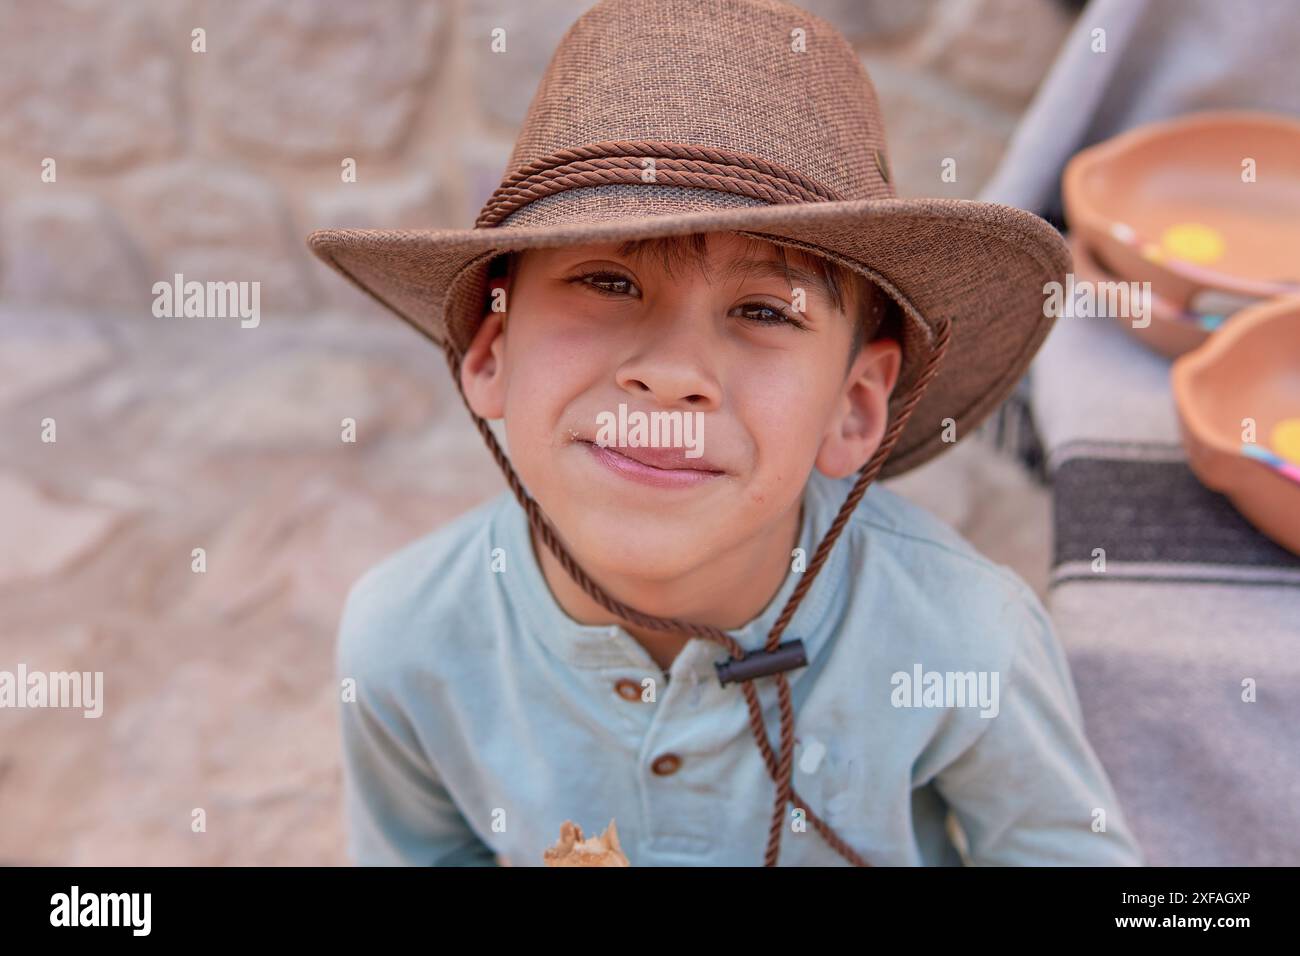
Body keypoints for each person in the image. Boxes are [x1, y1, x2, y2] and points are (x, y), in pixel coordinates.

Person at [311, 0, 1143, 866]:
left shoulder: (964, 636)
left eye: (760, 310)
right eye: (607, 281)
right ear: (488, 352)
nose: (672, 373)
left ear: (855, 406)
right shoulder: (405, 642)